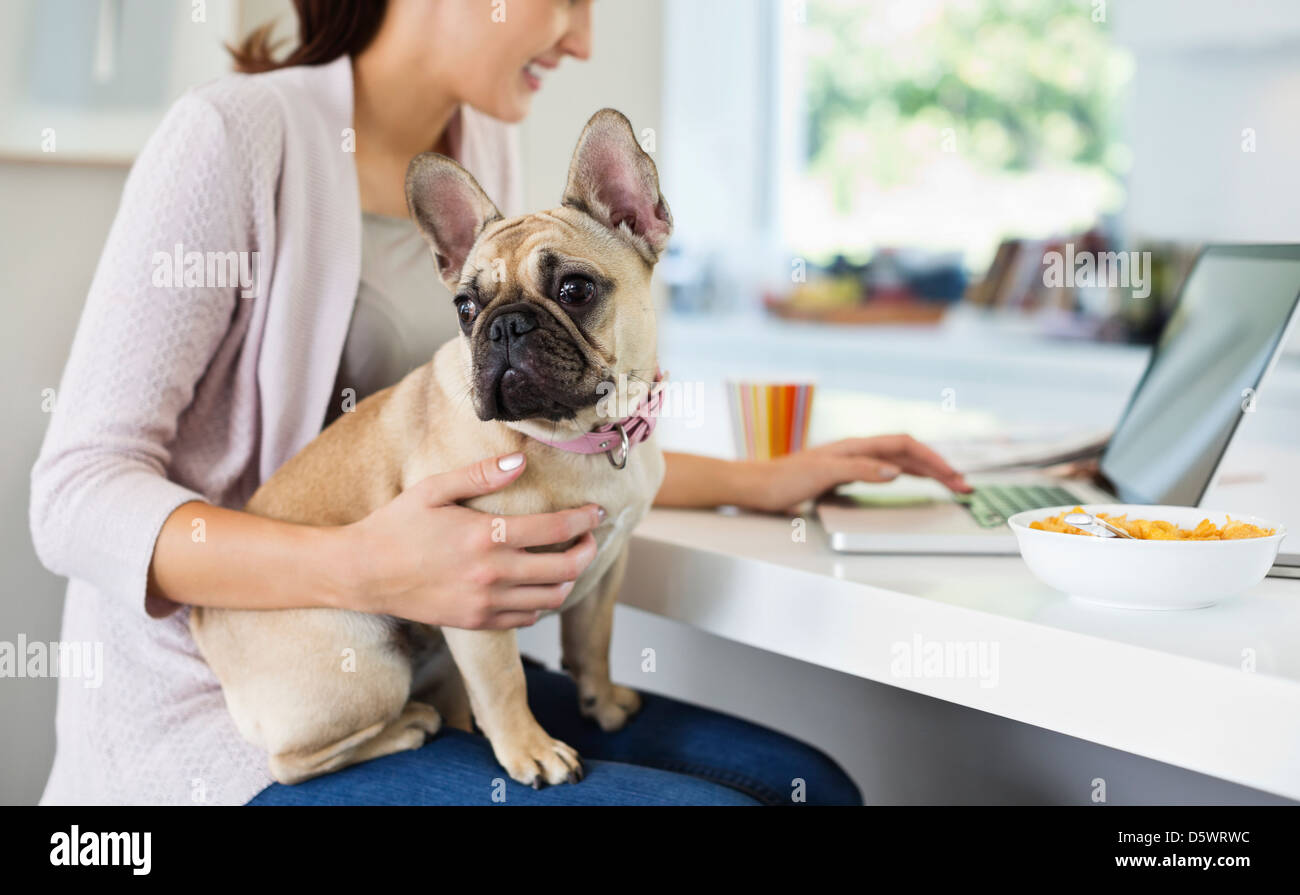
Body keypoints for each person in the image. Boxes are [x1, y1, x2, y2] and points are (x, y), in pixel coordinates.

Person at [30, 0, 969, 806]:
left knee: (805, 785)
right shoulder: (232, 138)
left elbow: (539, 443)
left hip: (434, 659)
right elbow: (72, 498)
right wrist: (363, 567)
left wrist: (767, 481)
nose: (582, 39)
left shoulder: (484, 149)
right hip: (232, 709)